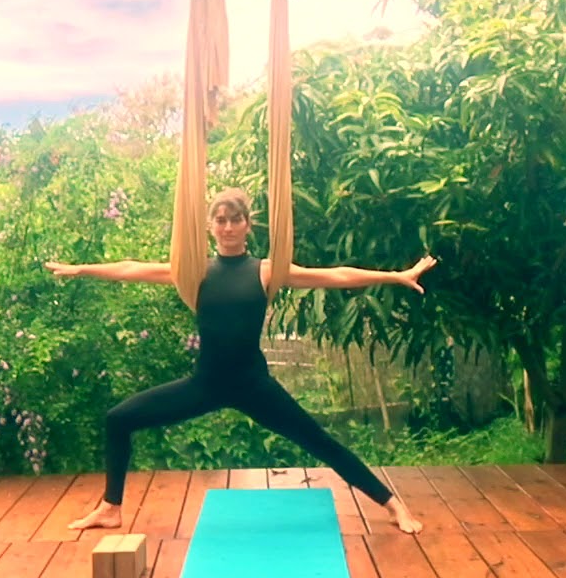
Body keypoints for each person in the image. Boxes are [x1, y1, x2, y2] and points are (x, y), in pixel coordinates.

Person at [44, 187, 434, 534]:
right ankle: (111, 508)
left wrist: (396, 277)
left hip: (254, 386)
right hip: (205, 385)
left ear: (248, 225)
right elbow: (132, 268)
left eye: (235, 220)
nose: (228, 227)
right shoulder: (195, 270)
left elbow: (334, 276)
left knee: (320, 441)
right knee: (118, 419)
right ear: (211, 227)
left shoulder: (265, 271)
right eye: (221, 220)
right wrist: (81, 269)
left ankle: (392, 504)